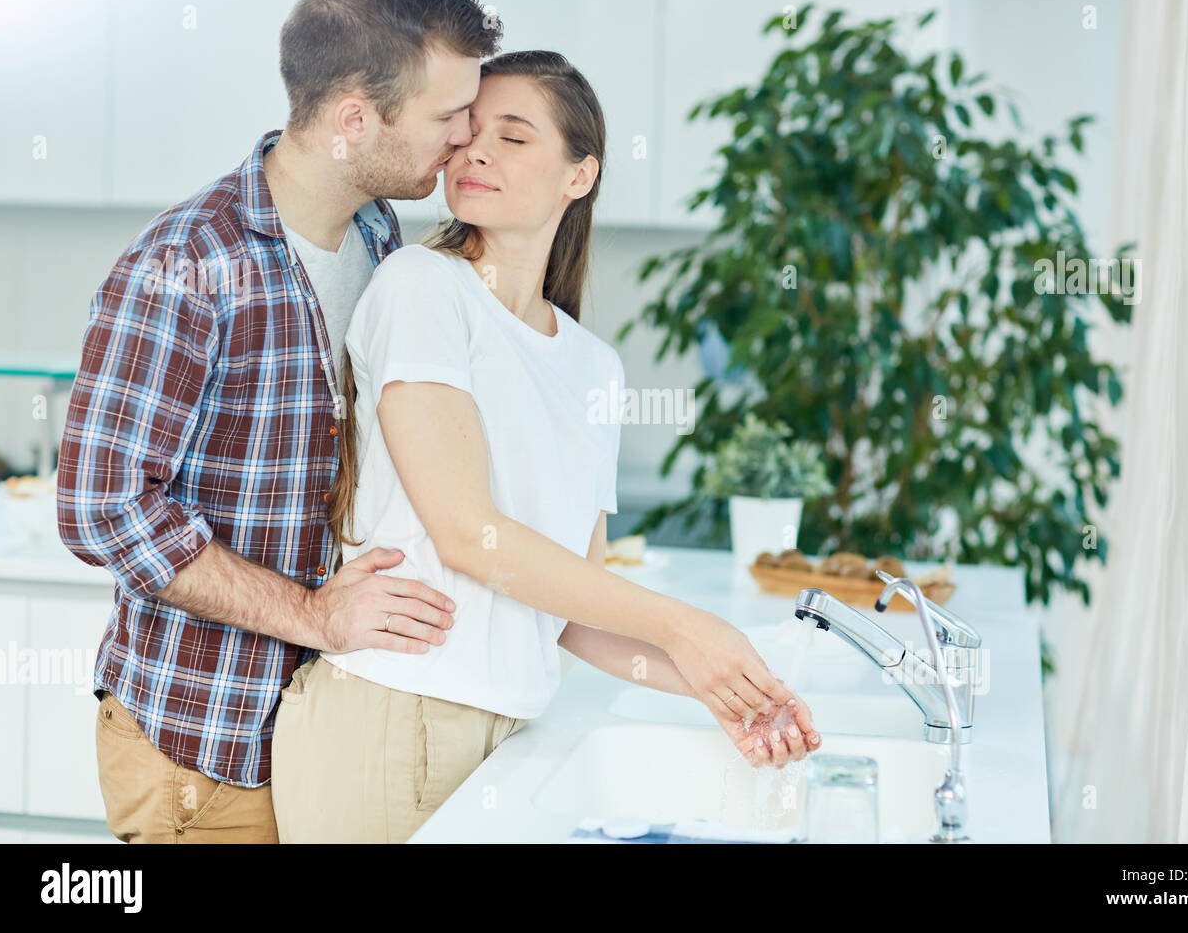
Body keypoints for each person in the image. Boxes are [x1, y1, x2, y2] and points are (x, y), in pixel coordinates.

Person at [269, 49, 822, 844]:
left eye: (515, 136)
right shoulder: (423, 287)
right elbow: (468, 534)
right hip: (391, 721)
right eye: (468, 132)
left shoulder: (593, 365)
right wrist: (686, 627)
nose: (477, 151)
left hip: (504, 739)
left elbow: (573, 611)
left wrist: (725, 689)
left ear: (580, 174)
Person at [55, 0, 499, 842]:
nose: (466, 135)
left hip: (318, 730)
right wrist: (313, 615)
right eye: (449, 113)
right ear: (354, 119)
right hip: (207, 747)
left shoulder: (378, 234)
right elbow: (101, 506)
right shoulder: (185, 263)